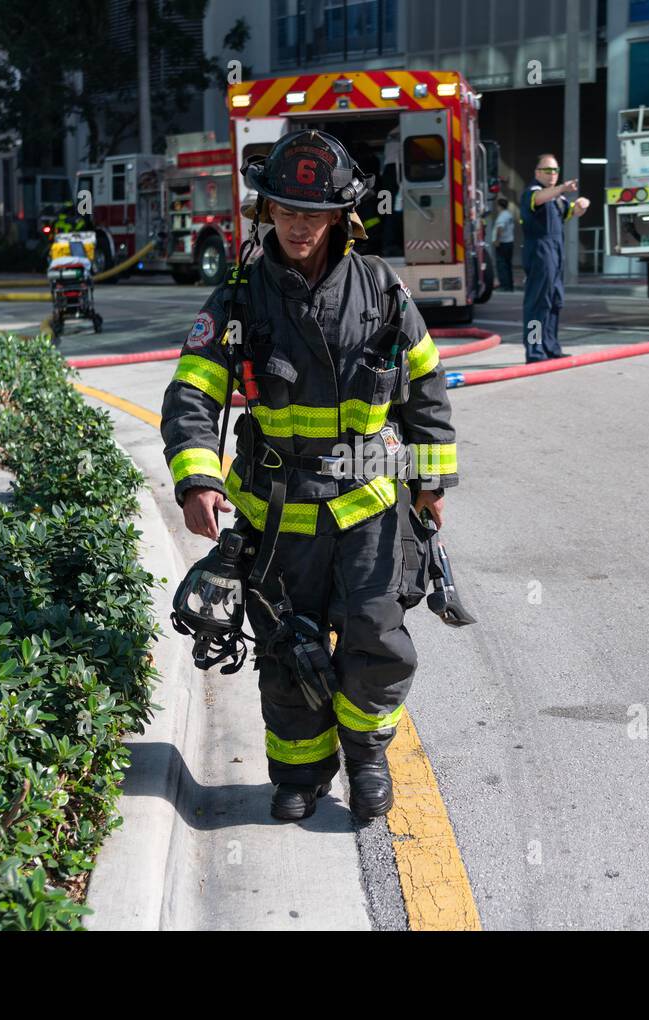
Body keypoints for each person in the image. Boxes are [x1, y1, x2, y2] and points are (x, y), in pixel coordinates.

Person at [160, 128, 459, 823]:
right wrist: (198, 477)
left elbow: (426, 388)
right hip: (276, 515)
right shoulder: (238, 299)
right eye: (285, 209)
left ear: (339, 217)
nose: (297, 224)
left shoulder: (382, 290)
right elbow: (194, 391)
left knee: (378, 640)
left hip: (368, 509)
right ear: (267, 212)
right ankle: (299, 773)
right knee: (286, 653)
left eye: (313, 212)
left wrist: (432, 481)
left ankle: (363, 752)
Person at [519, 153, 590, 362]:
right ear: (537, 172)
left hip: (556, 252)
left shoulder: (557, 199)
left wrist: (582, 205)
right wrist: (562, 188)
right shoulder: (533, 192)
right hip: (540, 252)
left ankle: (551, 347)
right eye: (548, 170)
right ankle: (535, 350)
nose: (553, 174)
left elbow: (571, 212)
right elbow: (539, 198)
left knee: (554, 301)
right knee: (537, 303)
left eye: (555, 170)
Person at [492, 197, 516, 291]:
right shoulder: (509, 215)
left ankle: (504, 286)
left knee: (501, 265)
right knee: (508, 265)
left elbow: (500, 228)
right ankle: (509, 286)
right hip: (509, 242)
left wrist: (497, 240)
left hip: (503, 243)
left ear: (499, 206)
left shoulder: (502, 216)